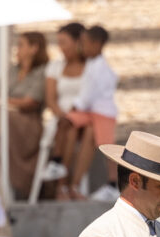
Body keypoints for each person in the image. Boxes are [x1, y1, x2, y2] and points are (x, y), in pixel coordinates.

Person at [0, 31, 48, 200]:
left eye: (21, 45)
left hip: (27, 122)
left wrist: (0, 102)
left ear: (34, 48)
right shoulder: (13, 70)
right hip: (4, 119)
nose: (17, 49)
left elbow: (31, 102)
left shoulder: (42, 72)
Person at [61, 25, 118, 201]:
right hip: (93, 112)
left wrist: (75, 107)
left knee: (108, 148)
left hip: (103, 114)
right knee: (68, 122)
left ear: (97, 44)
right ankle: (60, 168)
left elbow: (87, 95)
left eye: (84, 43)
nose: (81, 47)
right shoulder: (93, 65)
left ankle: (113, 184)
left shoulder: (99, 68)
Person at [43, 23, 86, 198]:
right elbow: (50, 100)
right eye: (58, 42)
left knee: (73, 126)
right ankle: (65, 187)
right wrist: (63, 114)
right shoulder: (55, 66)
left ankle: (65, 185)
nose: (60, 47)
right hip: (61, 117)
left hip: (84, 116)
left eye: (64, 42)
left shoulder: (91, 67)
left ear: (78, 42)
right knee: (69, 128)